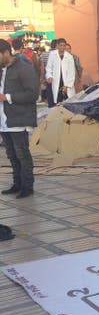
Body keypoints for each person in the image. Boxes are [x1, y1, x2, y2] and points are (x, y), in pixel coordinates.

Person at [0, 39, 40, 198]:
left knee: (22, 154)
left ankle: (27, 186)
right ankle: (17, 184)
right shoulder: (2, 69)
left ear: (6, 53)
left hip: (19, 119)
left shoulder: (24, 68)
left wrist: (6, 97)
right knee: (11, 154)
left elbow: (32, 95)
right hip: (5, 120)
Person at [45, 37, 76, 106]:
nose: (62, 47)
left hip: (66, 83)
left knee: (67, 103)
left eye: (64, 45)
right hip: (55, 82)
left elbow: (72, 72)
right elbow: (48, 68)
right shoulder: (52, 54)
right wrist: (49, 76)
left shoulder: (69, 57)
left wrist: (67, 85)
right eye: (61, 45)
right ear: (57, 46)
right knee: (55, 102)